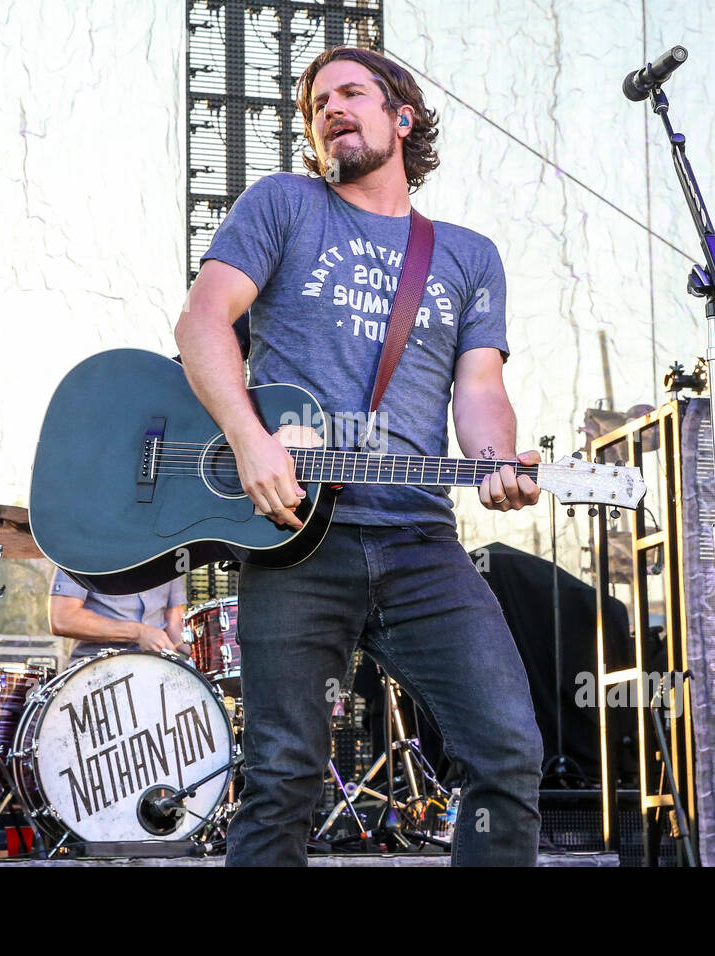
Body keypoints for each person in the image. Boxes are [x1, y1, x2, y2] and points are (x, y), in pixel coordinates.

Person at [174, 46, 544, 866]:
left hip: (420, 541)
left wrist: (498, 459)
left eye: (350, 93)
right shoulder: (282, 205)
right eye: (316, 104)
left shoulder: (467, 256)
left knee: (509, 754)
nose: (330, 109)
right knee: (282, 776)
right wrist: (249, 441)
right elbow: (202, 322)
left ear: (401, 118)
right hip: (295, 539)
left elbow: (478, 387)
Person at [47, 566, 187, 664]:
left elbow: (174, 623)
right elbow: (63, 619)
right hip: (96, 666)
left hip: (157, 666)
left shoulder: (169, 554)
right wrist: (139, 633)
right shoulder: (82, 547)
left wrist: (206, 650)